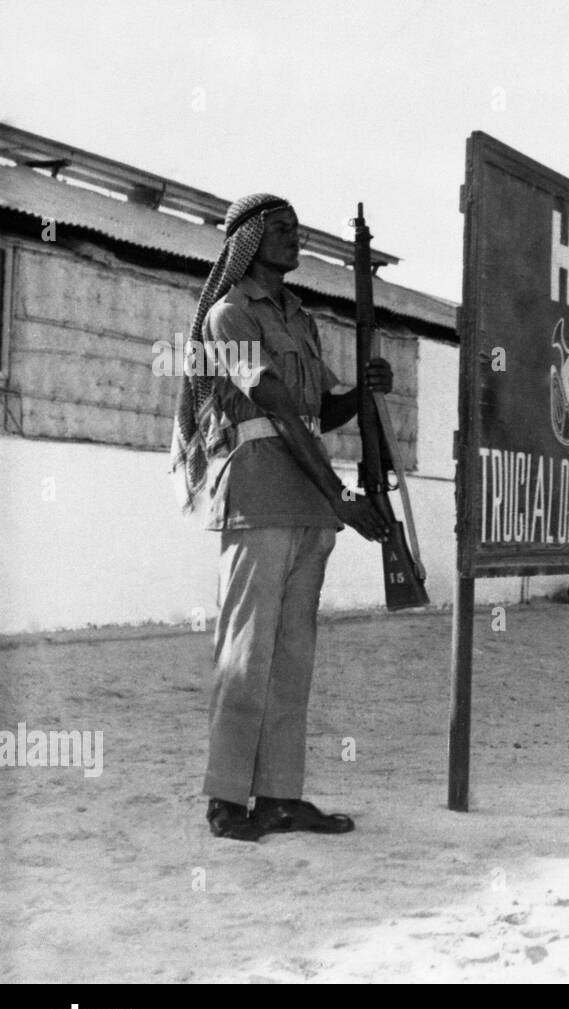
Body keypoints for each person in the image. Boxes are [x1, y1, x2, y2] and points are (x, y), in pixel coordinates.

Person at [172, 193, 391, 841]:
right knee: (246, 654)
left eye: (298, 229)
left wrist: (365, 391)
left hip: (309, 508)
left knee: (293, 659)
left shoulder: (301, 317)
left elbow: (322, 412)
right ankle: (224, 800)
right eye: (282, 230)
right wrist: (341, 497)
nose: (296, 239)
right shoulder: (228, 316)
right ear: (247, 240)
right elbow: (274, 403)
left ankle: (278, 797)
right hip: (260, 498)